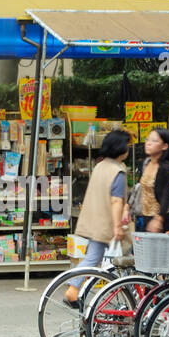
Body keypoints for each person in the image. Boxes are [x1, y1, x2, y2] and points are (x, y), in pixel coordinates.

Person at [66, 128, 131, 303]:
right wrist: (118, 226)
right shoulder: (118, 171)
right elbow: (116, 201)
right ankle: (73, 290)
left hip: (92, 219)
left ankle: (79, 291)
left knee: (95, 257)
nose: (129, 149)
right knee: (97, 257)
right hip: (104, 223)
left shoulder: (100, 166)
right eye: (127, 145)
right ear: (120, 148)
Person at [134, 127, 169, 233]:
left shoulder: (166, 168)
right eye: (147, 139)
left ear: (165, 146)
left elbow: (166, 194)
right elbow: (139, 187)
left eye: (154, 141)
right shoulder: (146, 163)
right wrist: (127, 207)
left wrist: (158, 219)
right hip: (146, 217)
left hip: (160, 222)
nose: (148, 143)